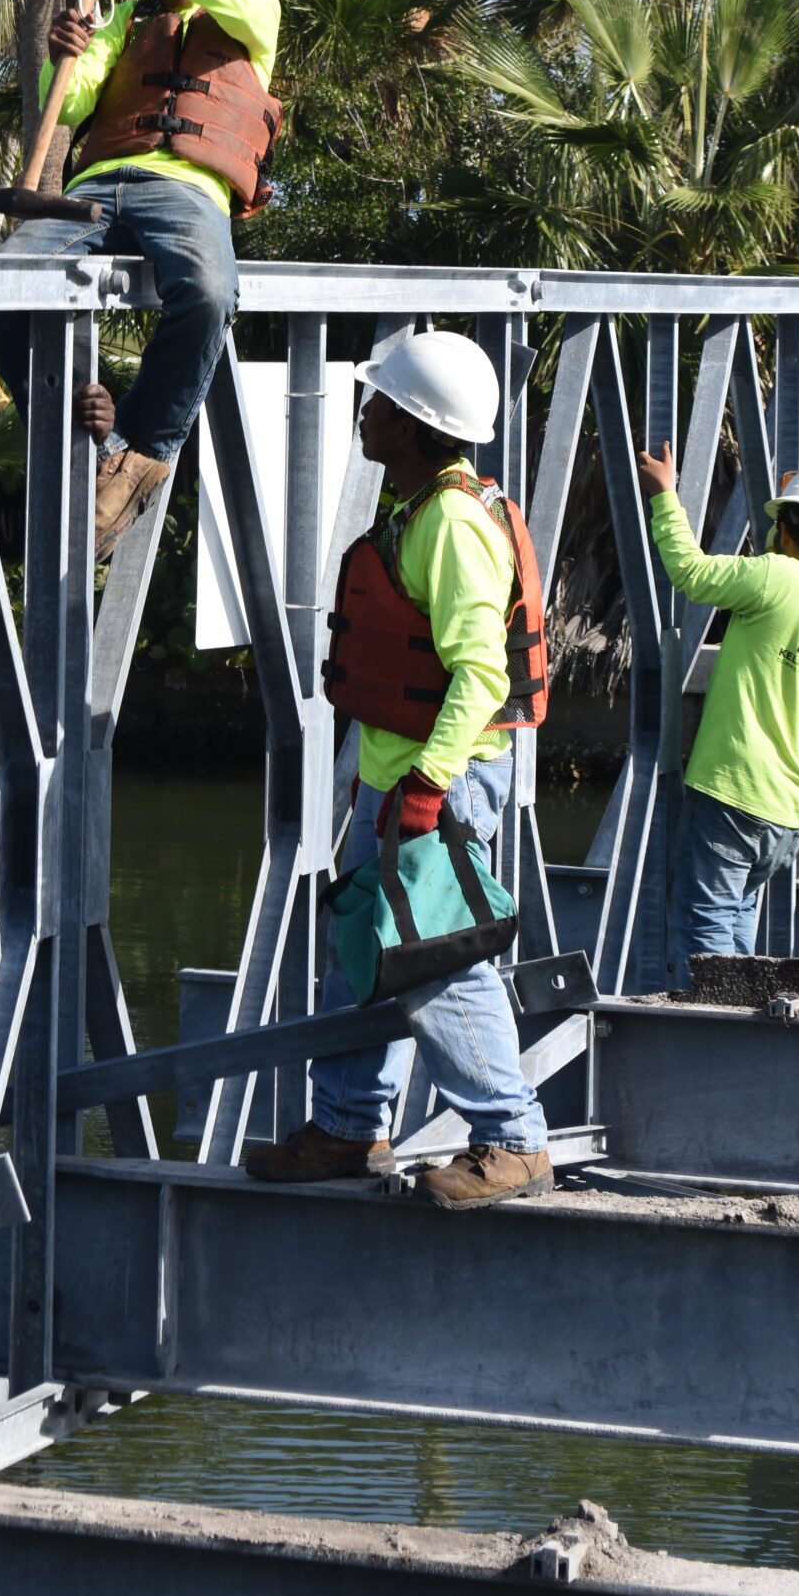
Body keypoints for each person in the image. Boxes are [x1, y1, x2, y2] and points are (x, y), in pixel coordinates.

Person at [248, 330, 551, 1211]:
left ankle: (513, 1139)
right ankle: (346, 1125)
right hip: (402, 776)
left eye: (379, 403)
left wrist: (424, 786)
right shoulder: (426, 504)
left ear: (417, 425)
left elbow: (481, 673)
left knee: (434, 958)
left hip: (438, 784)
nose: (364, 414)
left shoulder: (452, 523)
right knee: (359, 955)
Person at [0, 0, 283, 558]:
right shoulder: (122, 20)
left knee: (208, 293)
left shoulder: (251, 8)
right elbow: (79, 101)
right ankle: (89, 437)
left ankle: (141, 450)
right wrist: (71, 55)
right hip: (98, 186)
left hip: (186, 190)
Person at [636, 445, 799, 988]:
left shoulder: (777, 577)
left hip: (736, 790)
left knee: (705, 926)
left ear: (789, 526)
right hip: (794, 807)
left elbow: (691, 573)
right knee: (736, 920)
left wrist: (663, 496)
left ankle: (716, 1041)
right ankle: (742, 1027)